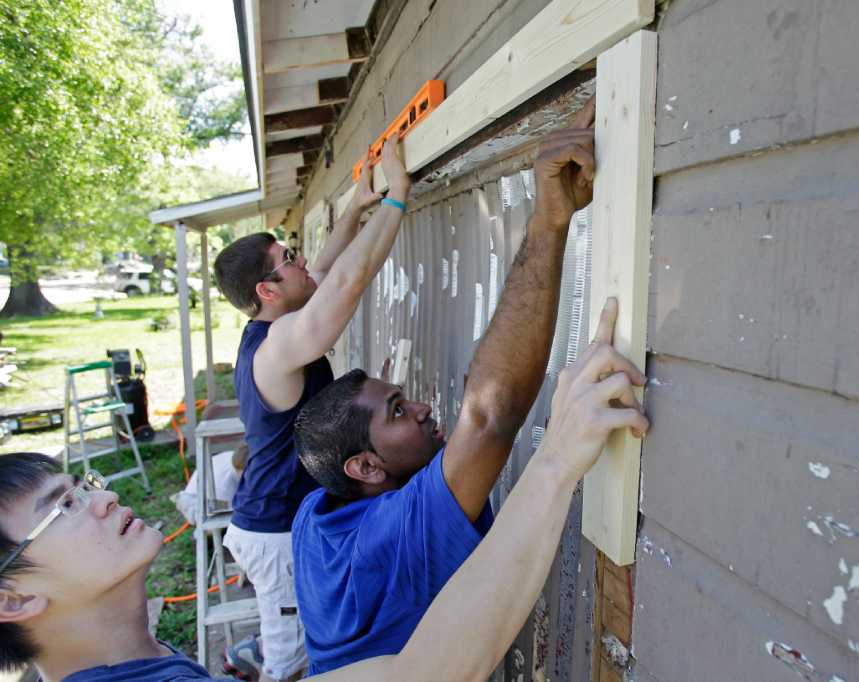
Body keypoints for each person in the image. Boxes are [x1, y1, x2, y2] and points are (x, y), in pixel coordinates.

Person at [0, 298, 648, 681]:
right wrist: (556, 458)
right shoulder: (376, 535)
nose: (104, 498)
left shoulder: (314, 511)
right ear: (14, 599)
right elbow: (424, 673)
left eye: (82, 485)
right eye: (63, 506)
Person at [290, 99, 600, 672]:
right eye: (398, 410)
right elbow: (490, 418)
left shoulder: (315, 514)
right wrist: (549, 220)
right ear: (364, 467)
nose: (423, 407)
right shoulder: (390, 539)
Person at [212, 136, 409, 682]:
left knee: (304, 635)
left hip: (277, 519)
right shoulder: (276, 347)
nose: (301, 263)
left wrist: (356, 208)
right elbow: (345, 282)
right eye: (288, 260)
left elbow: (324, 270)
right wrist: (397, 196)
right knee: (294, 661)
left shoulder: (275, 324)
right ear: (267, 290)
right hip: (275, 528)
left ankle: (260, 645)